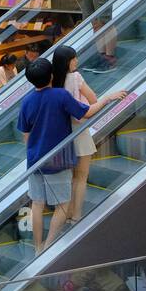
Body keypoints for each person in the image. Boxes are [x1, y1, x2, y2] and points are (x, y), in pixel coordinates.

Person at [17, 56, 125, 254]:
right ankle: (49, 245)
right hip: (58, 158)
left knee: (38, 204)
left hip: (35, 161)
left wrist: (33, 151)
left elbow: (25, 133)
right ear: (51, 75)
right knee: (63, 204)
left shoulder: (27, 101)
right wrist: (108, 98)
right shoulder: (60, 95)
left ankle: (37, 247)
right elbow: (86, 112)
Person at [51, 45, 100, 226]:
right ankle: (76, 216)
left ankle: (67, 213)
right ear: (68, 61)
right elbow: (93, 99)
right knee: (81, 176)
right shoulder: (76, 77)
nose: (76, 61)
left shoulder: (52, 80)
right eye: (74, 58)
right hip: (78, 131)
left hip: (60, 134)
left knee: (69, 177)